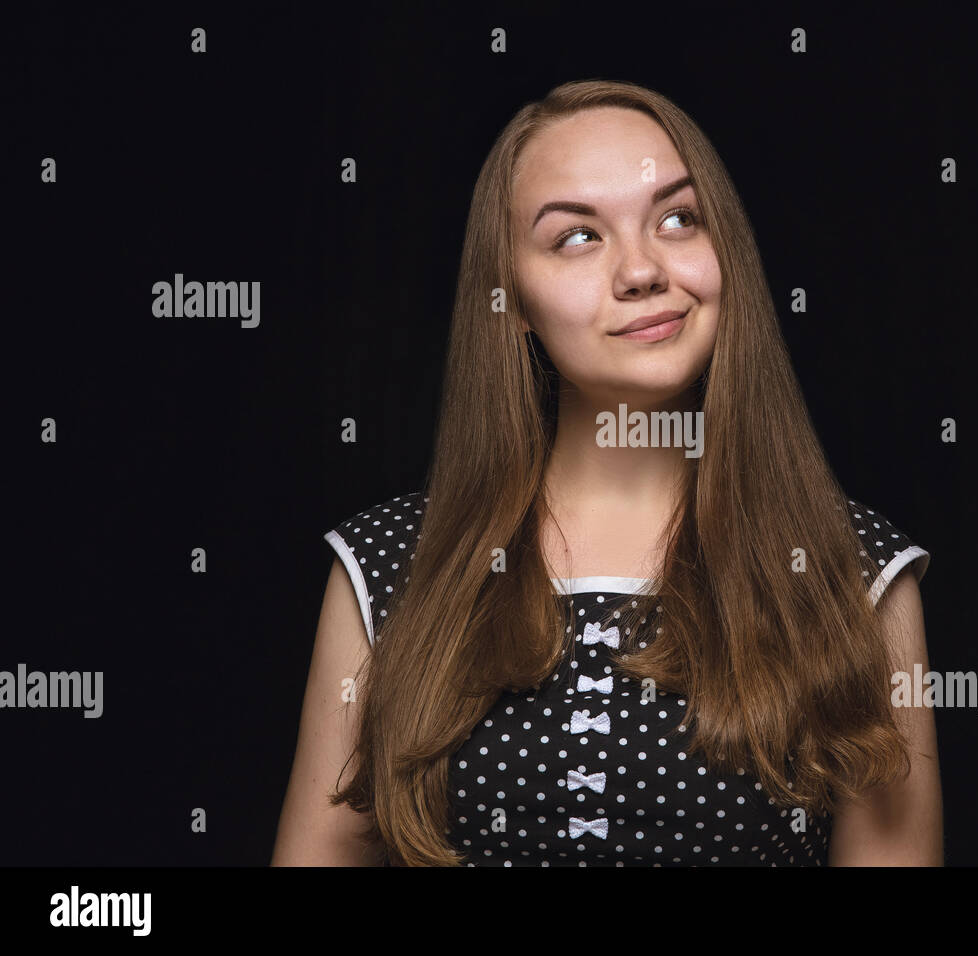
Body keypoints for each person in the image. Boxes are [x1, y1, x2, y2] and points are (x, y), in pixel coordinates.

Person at [272, 79, 941, 867]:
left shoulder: (854, 573)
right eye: (577, 237)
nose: (642, 270)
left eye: (677, 219)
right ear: (511, 297)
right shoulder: (387, 567)